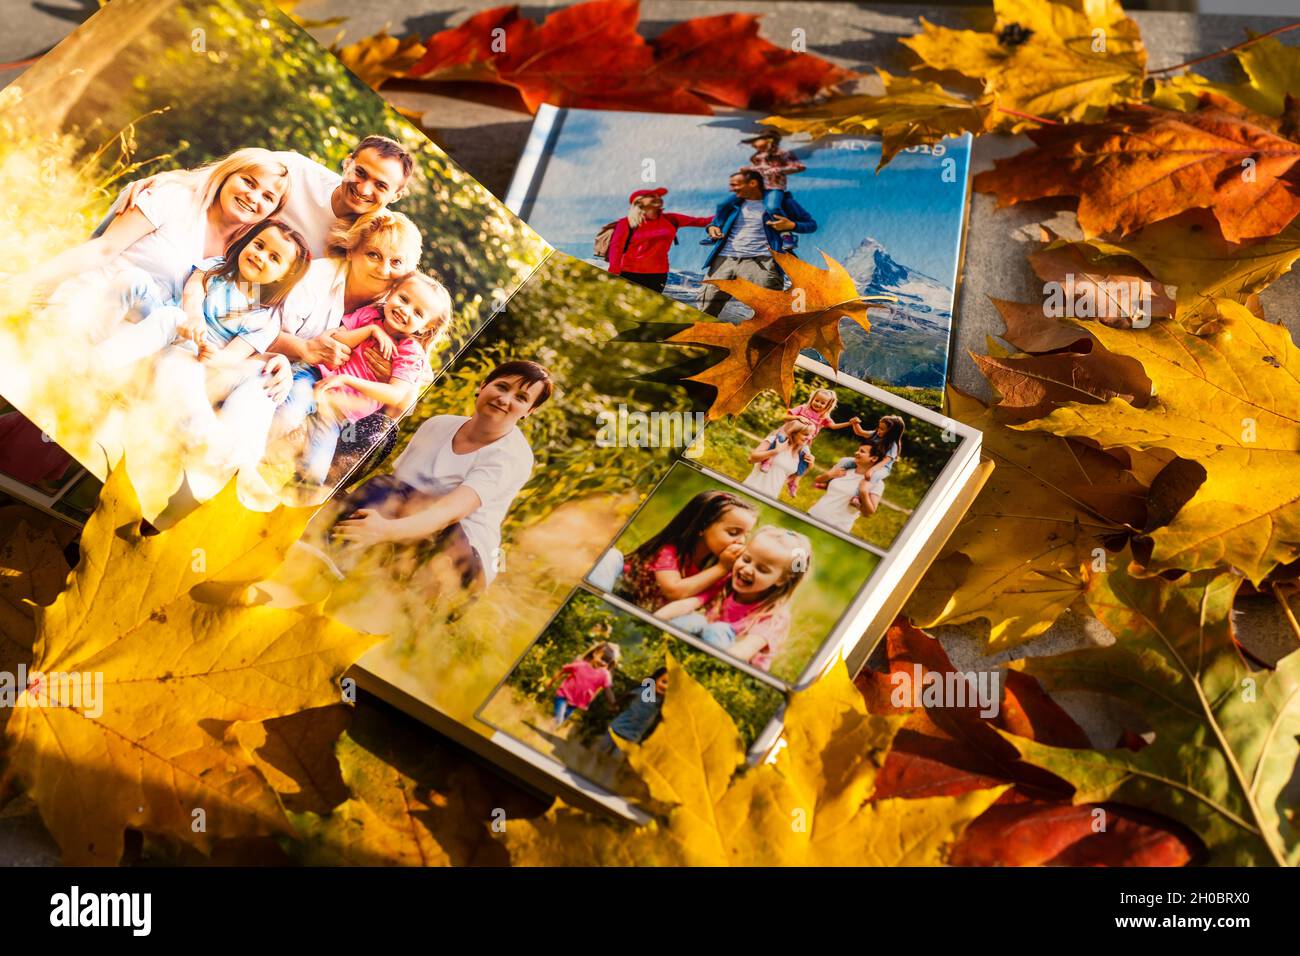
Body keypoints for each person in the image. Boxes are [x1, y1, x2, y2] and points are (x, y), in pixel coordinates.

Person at [110, 135, 415, 258]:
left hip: (268, 304)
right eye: (360, 173)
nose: (363, 189)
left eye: (380, 185)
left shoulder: (380, 238)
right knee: (147, 194)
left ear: (397, 195)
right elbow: (231, 175)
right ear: (348, 162)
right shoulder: (295, 169)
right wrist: (170, 178)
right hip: (224, 254)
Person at [97, 219, 312, 377]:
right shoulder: (219, 268)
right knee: (134, 278)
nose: (260, 255)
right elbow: (193, 290)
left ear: (285, 275)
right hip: (169, 316)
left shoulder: (265, 319)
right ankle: (91, 334)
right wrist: (194, 317)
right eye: (259, 245)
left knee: (172, 317)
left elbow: (234, 355)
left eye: (274, 258)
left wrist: (214, 356)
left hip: (192, 350)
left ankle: (97, 364)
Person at [300, 272, 452, 483]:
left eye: (418, 313)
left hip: (339, 413)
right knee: (287, 412)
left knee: (313, 475)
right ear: (392, 292)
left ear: (426, 327)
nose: (404, 310)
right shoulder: (370, 316)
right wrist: (371, 330)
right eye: (404, 299)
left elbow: (396, 395)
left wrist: (346, 380)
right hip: (316, 380)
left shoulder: (410, 352)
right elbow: (337, 338)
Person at [655, 526, 811, 672]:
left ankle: (700, 671)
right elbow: (687, 604)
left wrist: (707, 665)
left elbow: (744, 650)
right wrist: (655, 620)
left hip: (732, 665)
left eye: (762, 569)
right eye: (746, 559)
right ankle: (656, 643)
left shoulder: (774, 616)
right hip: (706, 644)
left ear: (782, 579)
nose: (747, 569)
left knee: (719, 629)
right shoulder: (725, 583)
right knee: (695, 621)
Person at [588, 490, 758, 611]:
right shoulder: (669, 551)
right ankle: (588, 601)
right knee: (612, 556)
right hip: (616, 590)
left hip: (632, 613)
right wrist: (721, 568)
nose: (741, 541)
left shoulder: (720, 569)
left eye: (746, 535)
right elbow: (673, 591)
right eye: (733, 532)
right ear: (702, 526)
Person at [698, 169, 817, 318]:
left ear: (753, 183)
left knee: (769, 315)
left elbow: (811, 224)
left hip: (763, 263)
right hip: (723, 261)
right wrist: (712, 228)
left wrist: (791, 226)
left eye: (736, 185)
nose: (731, 189)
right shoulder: (733, 204)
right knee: (703, 312)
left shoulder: (783, 203)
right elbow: (715, 223)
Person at [606, 187, 712, 294]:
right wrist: (613, 272)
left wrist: (728, 212)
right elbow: (616, 247)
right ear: (639, 201)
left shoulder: (671, 219)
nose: (658, 198)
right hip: (630, 272)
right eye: (652, 196)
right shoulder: (626, 223)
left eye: (659, 196)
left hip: (659, 274)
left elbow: (703, 221)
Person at [771, 387, 858, 497]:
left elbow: (833, 426)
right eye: (816, 400)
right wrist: (798, 417)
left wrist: (849, 423)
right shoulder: (803, 408)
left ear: (827, 406)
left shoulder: (823, 417)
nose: (818, 404)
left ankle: (795, 480)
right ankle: (767, 460)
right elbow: (785, 417)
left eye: (822, 403)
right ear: (812, 399)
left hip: (803, 443)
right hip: (789, 435)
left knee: (807, 458)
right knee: (778, 440)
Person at [739, 131, 806, 251]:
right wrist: (749, 170)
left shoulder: (781, 153)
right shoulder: (756, 157)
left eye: (756, 140)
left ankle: (787, 236)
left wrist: (776, 170)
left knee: (773, 207)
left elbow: (799, 166)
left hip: (774, 186)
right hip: (757, 188)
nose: (753, 144)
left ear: (768, 139)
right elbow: (758, 170)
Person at [545, 639, 620, 731]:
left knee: (562, 719)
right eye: (602, 658)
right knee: (558, 720)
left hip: (576, 702)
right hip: (563, 695)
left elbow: (608, 690)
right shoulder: (580, 665)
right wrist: (551, 682)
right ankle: (547, 729)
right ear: (595, 653)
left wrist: (613, 703)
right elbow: (562, 671)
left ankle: (546, 728)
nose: (603, 663)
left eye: (607, 661)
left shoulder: (605, 675)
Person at [810, 444, 886, 530]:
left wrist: (863, 492)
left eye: (862, 451)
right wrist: (830, 474)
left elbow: (868, 513)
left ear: (874, 458)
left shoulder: (877, 483)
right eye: (858, 450)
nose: (856, 453)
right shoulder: (844, 469)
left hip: (836, 527)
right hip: (813, 514)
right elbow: (817, 480)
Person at [601, 666, 669, 753]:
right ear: (655, 679)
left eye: (669, 686)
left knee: (615, 760)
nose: (665, 687)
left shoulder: (662, 704)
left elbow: (659, 721)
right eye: (664, 682)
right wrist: (615, 705)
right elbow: (627, 696)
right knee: (600, 752)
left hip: (631, 739)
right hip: (616, 729)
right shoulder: (643, 690)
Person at [743, 419, 815, 500]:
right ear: (793, 433)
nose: (809, 438)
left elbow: (790, 479)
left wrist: (809, 467)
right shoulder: (775, 440)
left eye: (811, 435)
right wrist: (775, 451)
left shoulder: (800, 454)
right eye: (805, 434)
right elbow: (751, 459)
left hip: (771, 497)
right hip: (751, 489)